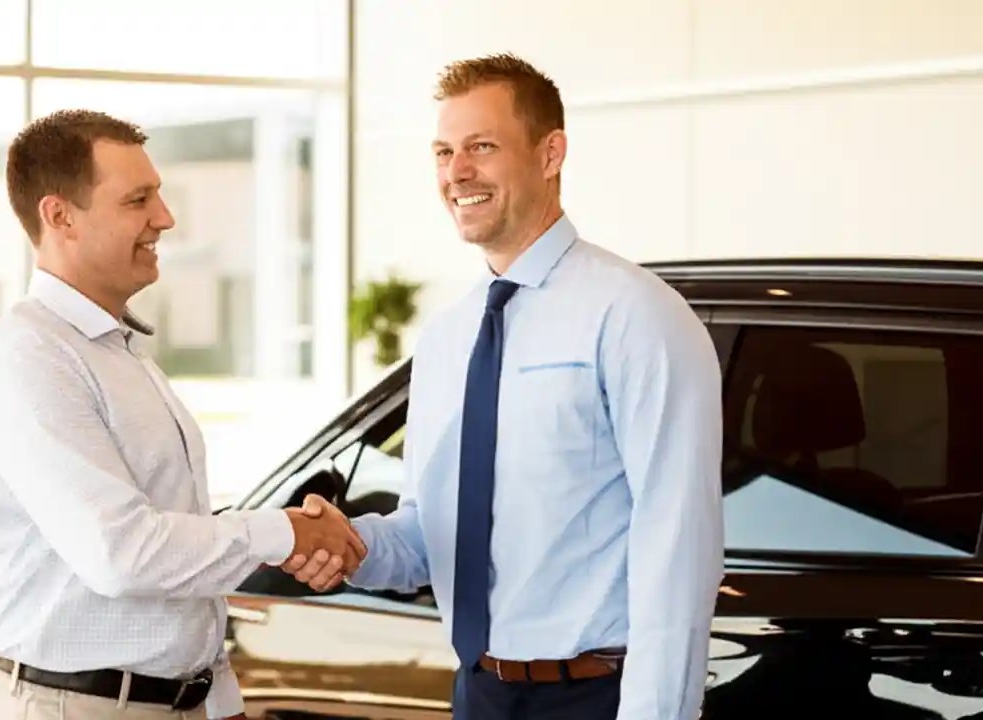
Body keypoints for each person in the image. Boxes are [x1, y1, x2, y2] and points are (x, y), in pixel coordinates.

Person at [284, 54, 725, 719]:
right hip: (480, 693)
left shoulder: (635, 316)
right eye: (443, 152)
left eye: (481, 148)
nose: (456, 172)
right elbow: (431, 534)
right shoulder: (447, 338)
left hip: (598, 697)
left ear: (551, 154)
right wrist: (350, 546)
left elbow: (679, 545)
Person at [0, 109, 366, 720]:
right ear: (59, 215)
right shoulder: (30, 358)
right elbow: (121, 552)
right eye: (137, 200)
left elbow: (167, 539)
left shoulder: (116, 350)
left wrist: (215, 699)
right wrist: (282, 533)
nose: (164, 219)